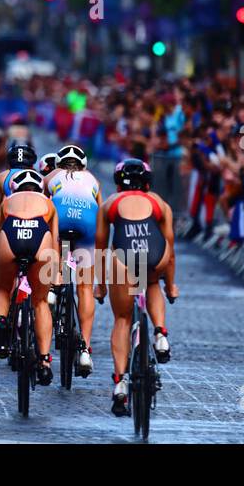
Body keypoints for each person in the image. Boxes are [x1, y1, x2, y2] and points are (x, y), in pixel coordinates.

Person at [97, 158, 177, 417]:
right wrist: (172, 285)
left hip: (123, 251)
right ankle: (160, 334)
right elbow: (171, 249)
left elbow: (100, 246)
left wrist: (101, 285)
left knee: (122, 318)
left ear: (119, 182)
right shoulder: (159, 203)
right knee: (152, 281)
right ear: (147, 182)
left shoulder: (110, 203)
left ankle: (120, 383)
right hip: (154, 250)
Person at [0, 167, 58, 385]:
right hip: (40, 238)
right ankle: (45, 362)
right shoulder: (48, 203)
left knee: (1, 289)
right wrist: (56, 276)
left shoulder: (7, 202)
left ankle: (0, 322)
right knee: (40, 302)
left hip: (11, 235)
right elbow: (55, 246)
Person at [44, 143, 102, 376]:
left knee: (48, 232)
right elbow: (100, 209)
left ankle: (52, 284)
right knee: (85, 287)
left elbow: (39, 205)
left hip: (61, 222)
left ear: (59, 164)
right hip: (87, 224)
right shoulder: (93, 179)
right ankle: (85, 349)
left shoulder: (53, 175)